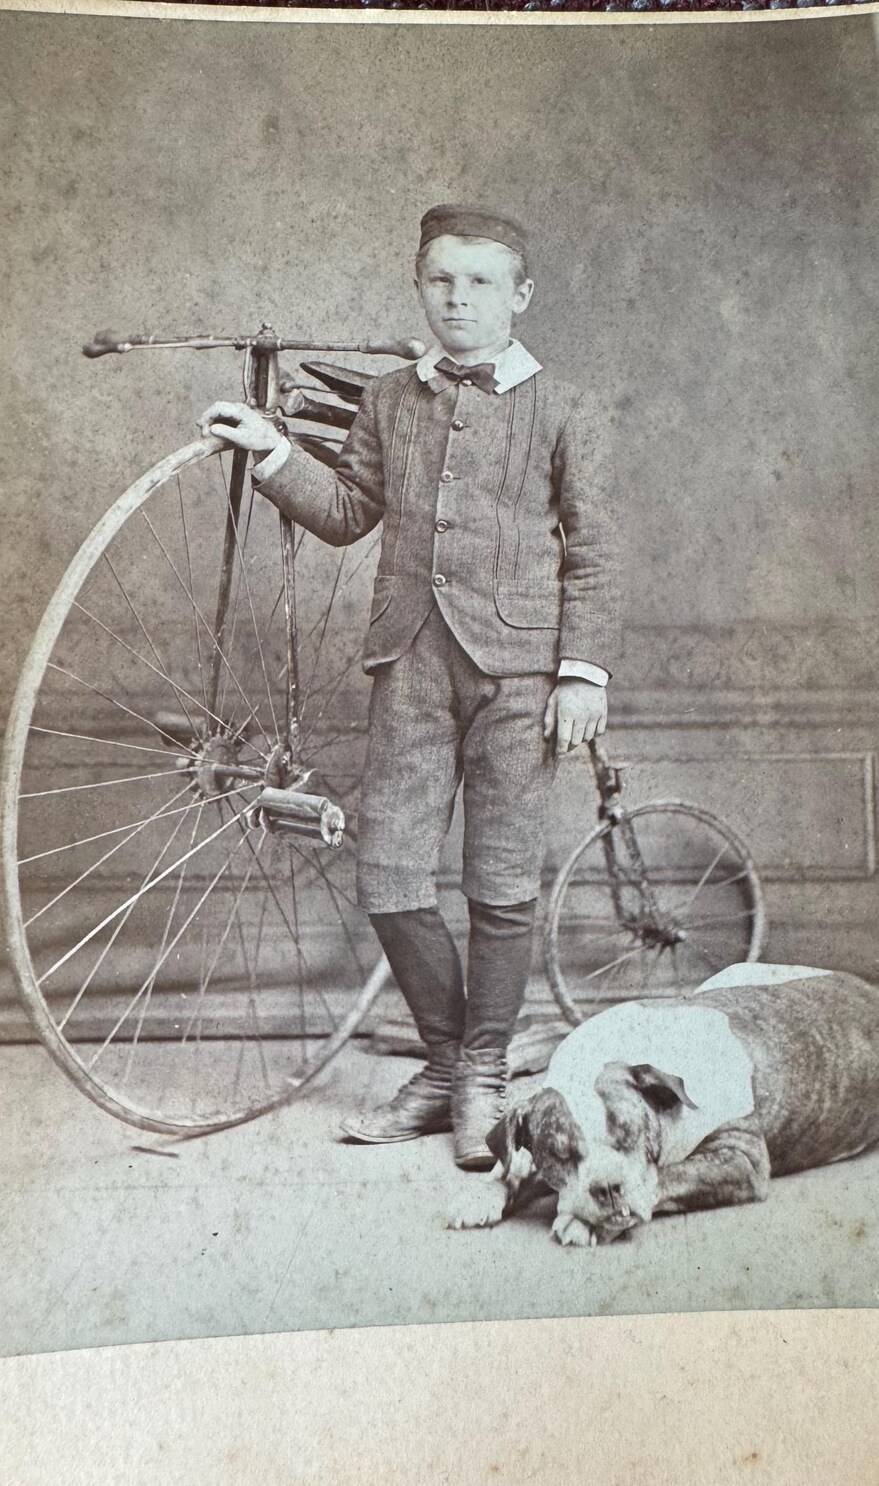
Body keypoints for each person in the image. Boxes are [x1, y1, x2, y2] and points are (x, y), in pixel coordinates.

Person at [199, 203, 619, 1170]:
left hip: (523, 680)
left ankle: (484, 1073)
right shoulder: (390, 399)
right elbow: (349, 512)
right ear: (419, 287)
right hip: (410, 668)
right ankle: (443, 1067)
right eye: (440, 280)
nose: (457, 298)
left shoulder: (563, 407)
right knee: (389, 873)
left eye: (479, 282)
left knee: (501, 885)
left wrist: (582, 673)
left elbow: (595, 555)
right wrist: (269, 451)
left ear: (521, 296)